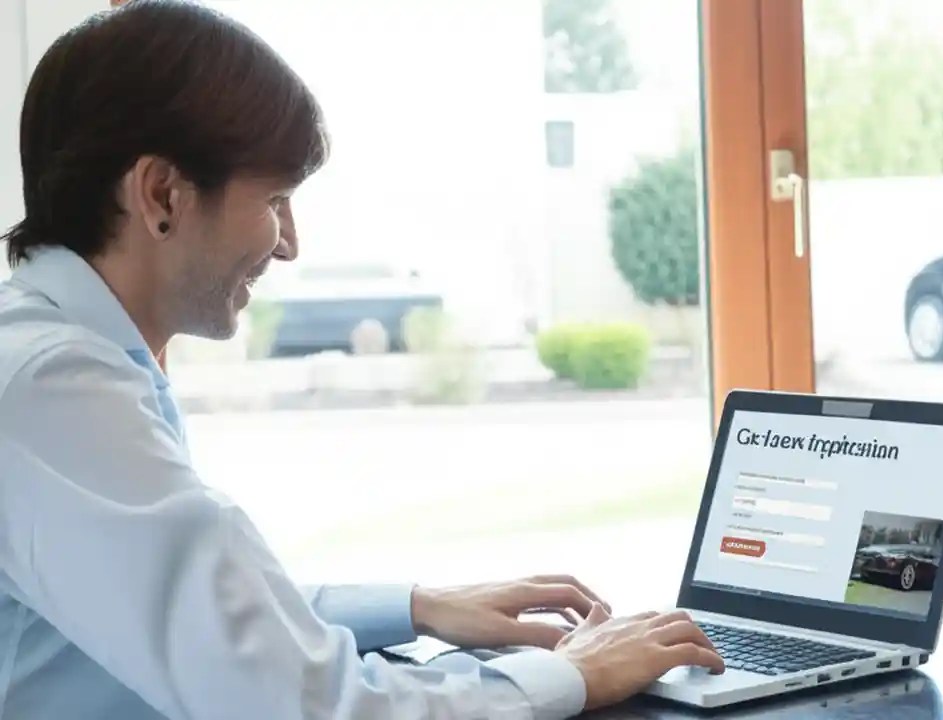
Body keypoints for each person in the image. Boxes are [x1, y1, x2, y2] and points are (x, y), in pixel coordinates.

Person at [0, 1, 723, 718]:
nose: (288, 244)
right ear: (163, 194)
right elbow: (300, 703)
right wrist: (573, 677)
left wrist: (419, 608)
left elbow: (203, 619)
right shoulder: (53, 389)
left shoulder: (57, 358)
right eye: (276, 199)